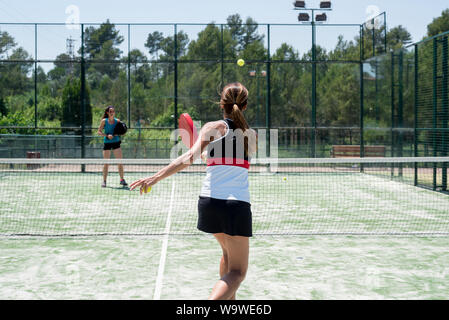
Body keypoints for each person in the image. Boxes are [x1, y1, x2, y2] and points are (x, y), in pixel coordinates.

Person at [130, 82, 257, 300]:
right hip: (235, 206)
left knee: (227, 256)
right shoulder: (251, 136)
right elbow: (237, 163)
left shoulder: (212, 128)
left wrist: (155, 177)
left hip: (209, 204)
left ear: (221, 104)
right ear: (244, 107)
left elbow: (188, 159)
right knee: (238, 272)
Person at [97, 106, 128, 188]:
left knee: (120, 162)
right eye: (110, 111)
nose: (112, 113)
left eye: (113, 111)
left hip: (116, 142)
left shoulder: (117, 121)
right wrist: (107, 135)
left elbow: (122, 129)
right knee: (106, 163)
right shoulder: (104, 121)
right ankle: (104, 181)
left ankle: (122, 180)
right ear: (107, 112)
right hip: (107, 143)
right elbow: (99, 132)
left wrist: (118, 133)